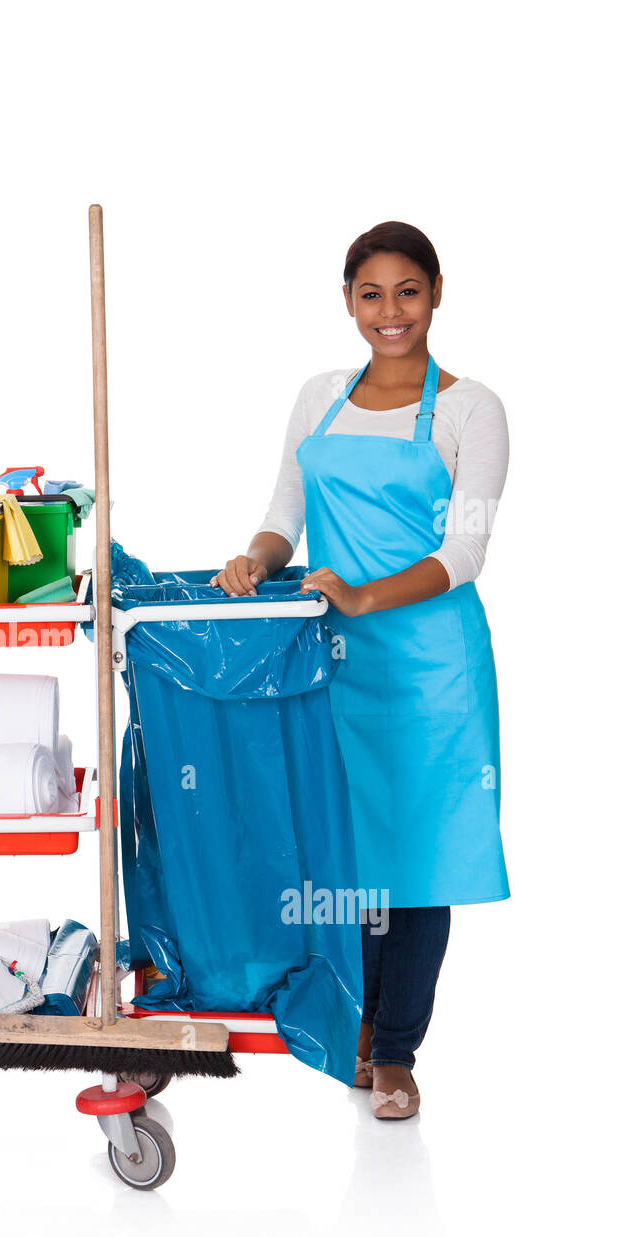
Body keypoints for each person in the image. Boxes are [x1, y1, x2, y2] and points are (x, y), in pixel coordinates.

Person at [213, 221, 509, 1119]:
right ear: (348, 301)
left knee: (420, 860)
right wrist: (256, 561)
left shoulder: (472, 409)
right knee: (352, 860)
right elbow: (283, 509)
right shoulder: (317, 398)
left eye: (407, 292)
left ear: (436, 293)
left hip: (431, 674)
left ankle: (394, 1053)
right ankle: (359, 1026)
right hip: (334, 663)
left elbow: (466, 551)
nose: (390, 312)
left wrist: (365, 598)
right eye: (371, 294)